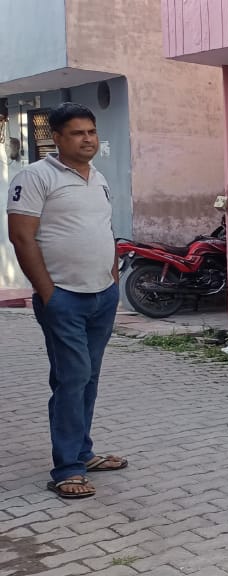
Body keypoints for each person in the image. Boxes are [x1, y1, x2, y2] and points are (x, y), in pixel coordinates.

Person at [7, 102, 127, 499]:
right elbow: (21, 237)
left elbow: (105, 229)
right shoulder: (35, 177)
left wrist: (112, 280)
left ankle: (84, 452)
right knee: (71, 378)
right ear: (56, 138)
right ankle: (67, 469)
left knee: (87, 378)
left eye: (91, 132)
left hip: (101, 297)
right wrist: (48, 294)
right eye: (77, 133)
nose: (87, 139)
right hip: (64, 299)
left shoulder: (98, 178)